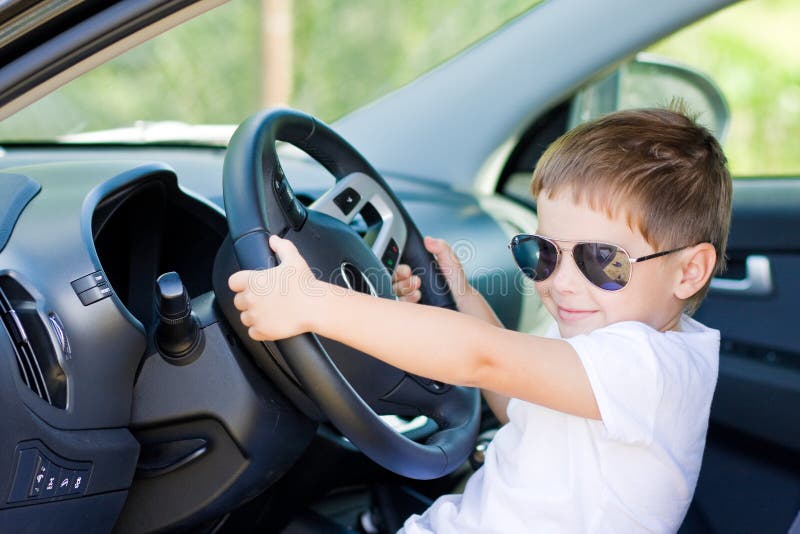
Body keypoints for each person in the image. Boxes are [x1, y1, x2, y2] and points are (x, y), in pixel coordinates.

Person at [228, 107, 732, 533]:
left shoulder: (648, 369)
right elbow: (517, 400)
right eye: (544, 253)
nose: (562, 283)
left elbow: (483, 359)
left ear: (689, 271)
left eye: (603, 260)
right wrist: (460, 297)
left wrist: (313, 303)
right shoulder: (606, 330)